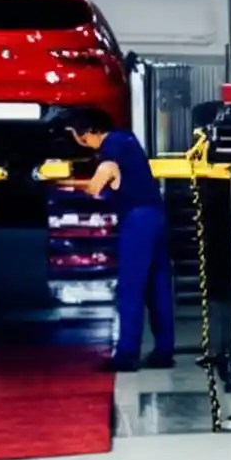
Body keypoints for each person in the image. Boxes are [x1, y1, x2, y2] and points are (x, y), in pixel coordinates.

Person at [65, 125, 175, 372]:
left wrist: (70, 182)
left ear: (86, 133)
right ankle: (164, 352)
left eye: (79, 137)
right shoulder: (128, 139)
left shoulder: (111, 144)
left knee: (130, 287)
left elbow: (99, 182)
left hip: (138, 220)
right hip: (156, 215)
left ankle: (126, 355)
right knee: (158, 286)